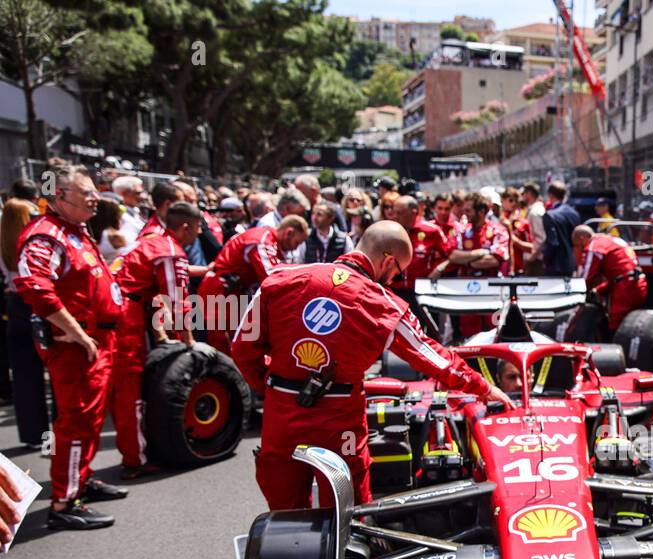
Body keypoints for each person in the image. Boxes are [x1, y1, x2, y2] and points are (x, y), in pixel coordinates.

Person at [230, 222, 509, 510]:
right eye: (398, 272)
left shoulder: (280, 279)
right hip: (339, 422)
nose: (394, 280)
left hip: (281, 414)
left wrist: (271, 386)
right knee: (347, 514)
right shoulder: (384, 305)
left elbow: (241, 346)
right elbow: (434, 358)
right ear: (388, 261)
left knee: (283, 510)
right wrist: (484, 387)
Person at [14, 164, 129, 530]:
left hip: (97, 342)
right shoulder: (47, 235)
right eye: (87, 193)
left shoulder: (75, 230)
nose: (96, 198)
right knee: (77, 420)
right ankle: (65, 502)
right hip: (78, 347)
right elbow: (34, 285)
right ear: (60, 196)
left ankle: (82, 480)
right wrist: (76, 332)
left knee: (92, 418)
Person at [109, 202, 203, 478]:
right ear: (186, 227)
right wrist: (189, 345)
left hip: (121, 312)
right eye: (197, 229)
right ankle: (133, 460)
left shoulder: (149, 240)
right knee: (128, 392)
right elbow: (177, 302)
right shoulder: (171, 251)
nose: (197, 235)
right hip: (124, 318)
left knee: (121, 390)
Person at [196, 215, 308, 353]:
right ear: (289, 232)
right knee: (220, 345)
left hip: (235, 294)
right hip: (219, 291)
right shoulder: (261, 239)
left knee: (237, 344)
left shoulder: (271, 243)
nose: (294, 249)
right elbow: (272, 275)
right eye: (296, 243)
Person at [3, 185, 48, 446]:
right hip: (35, 302)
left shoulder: (5, 240)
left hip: (14, 302)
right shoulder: (35, 242)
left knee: (24, 374)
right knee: (55, 370)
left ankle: (34, 435)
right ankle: (54, 436)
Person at [444, 192, 509, 338]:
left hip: (493, 293)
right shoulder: (460, 230)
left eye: (468, 210)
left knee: (495, 335)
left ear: (481, 211)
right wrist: (480, 252)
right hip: (466, 292)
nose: (464, 213)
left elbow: (495, 260)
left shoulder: (498, 230)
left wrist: (467, 260)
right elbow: (453, 256)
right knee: (468, 336)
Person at [572, 224, 646, 336]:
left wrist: (574, 298)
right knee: (630, 325)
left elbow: (585, 279)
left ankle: (614, 351)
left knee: (615, 327)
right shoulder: (612, 239)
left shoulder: (594, 247)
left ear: (582, 238)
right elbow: (619, 274)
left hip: (626, 289)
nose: (582, 250)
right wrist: (599, 290)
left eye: (579, 246)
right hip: (638, 283)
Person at [541, 181, 580, 276]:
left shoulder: (549, 215)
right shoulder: (574, 213)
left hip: (555, 265)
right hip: (571, 263)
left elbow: (552, 242)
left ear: (550, 195)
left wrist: (545, 258)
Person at [500, 187, 534, 275]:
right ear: (503, 201)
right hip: (499, 268)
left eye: (516, 201)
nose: (514, 203)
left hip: (518, 269)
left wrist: (515, 240)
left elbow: (531, 248)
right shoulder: (497, 221)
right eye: (511, 200)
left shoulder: (523, 223)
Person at [111, 175, 146, 245]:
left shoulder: (138, 212)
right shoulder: (119, 216)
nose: (143, 196)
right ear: (124, 194)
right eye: (137, 193)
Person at [521, 182, 547, 274]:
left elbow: (541, 238)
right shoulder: (533, 210)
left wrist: (531, 257)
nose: (522, 196)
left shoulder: (535, 212)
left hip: (535, 261)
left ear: (529, 194)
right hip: (534, 258)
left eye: (523, 193)